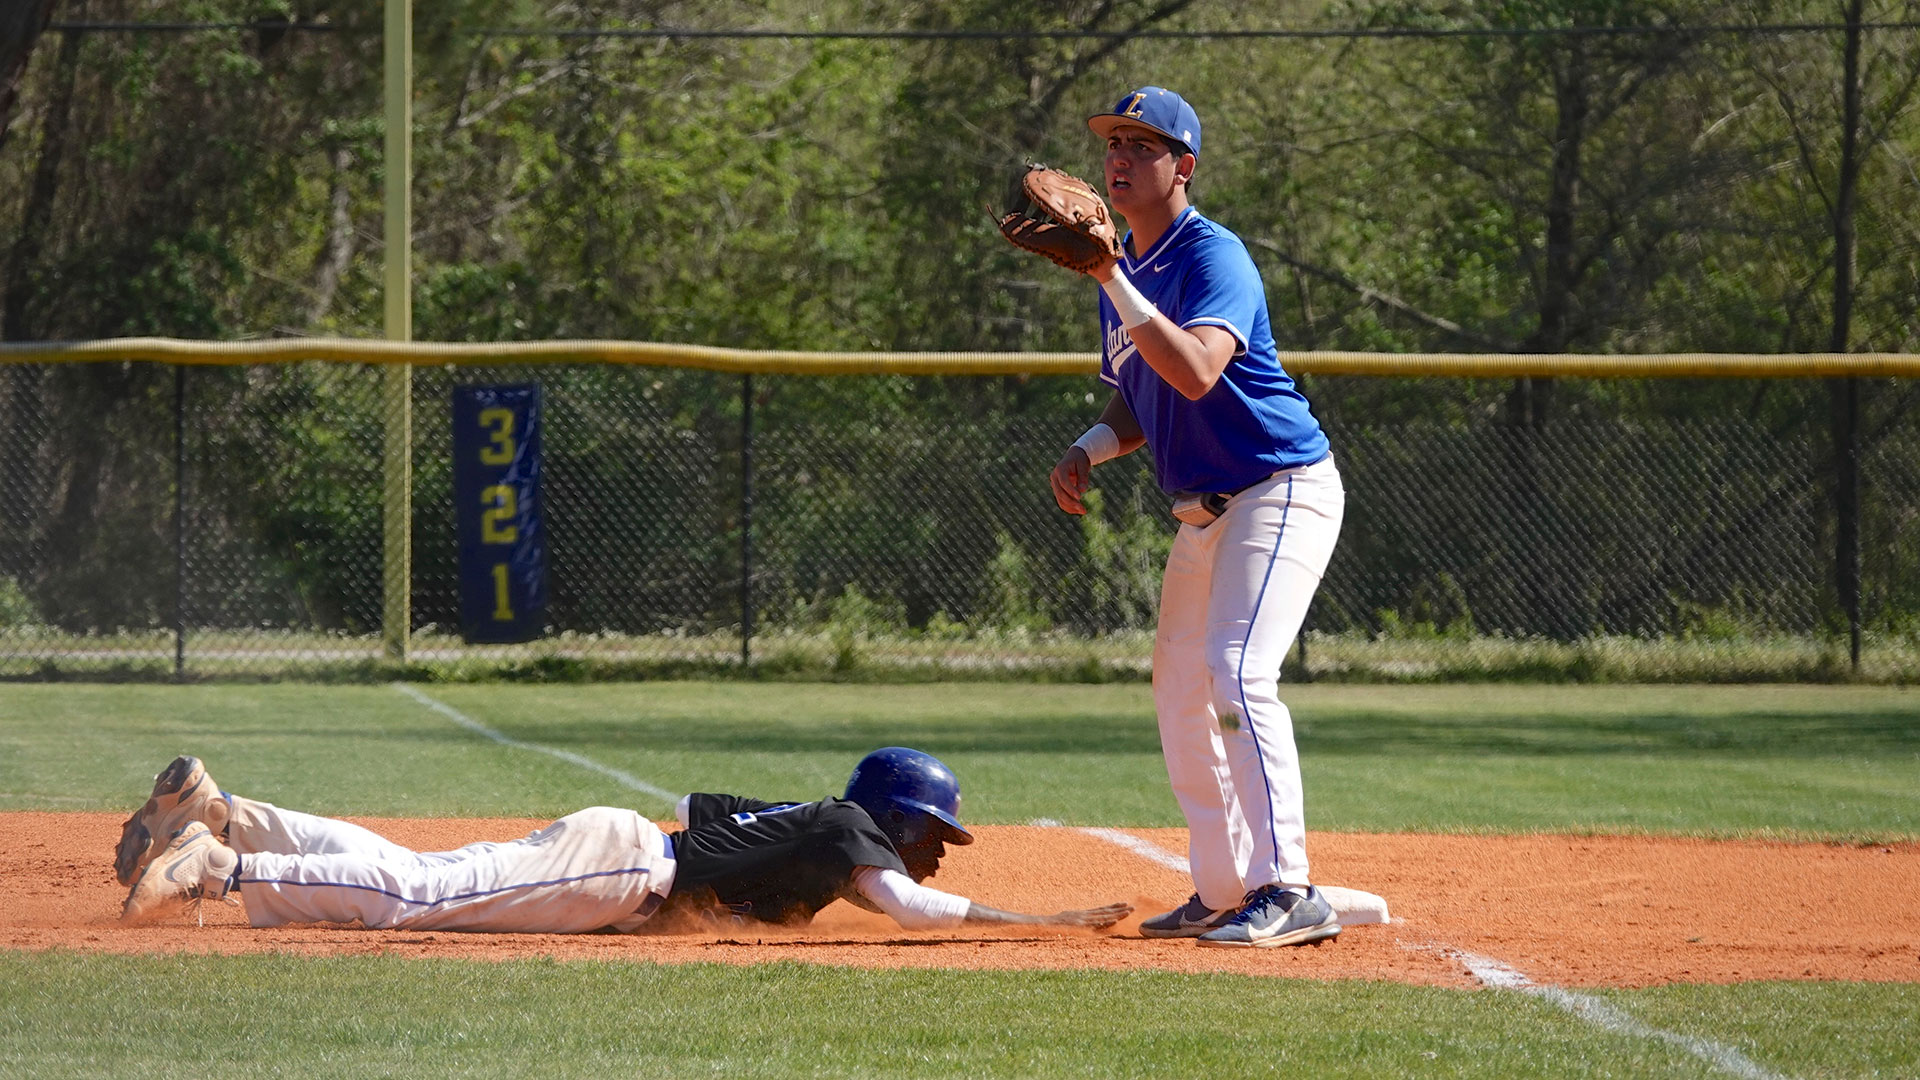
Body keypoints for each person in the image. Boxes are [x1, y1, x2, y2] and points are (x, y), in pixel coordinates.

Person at [1047, 86, 1345, 948]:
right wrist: (1087, 448)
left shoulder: (1215, 257)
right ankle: (1222, 888)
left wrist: (1111, 274)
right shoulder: (1122, 277)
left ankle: (1289, 887)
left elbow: (1198, 373)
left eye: (1145, 145)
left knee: (1239, 669)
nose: (1121, 158)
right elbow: (1139, 403)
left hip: (1280, 486)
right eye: (1115, 143)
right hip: (1204, 513)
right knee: (1180, 690)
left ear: (1185, 166)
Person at [115, 750, 1131, 934]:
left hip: (621, 853)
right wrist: (1046, 923)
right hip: (624, 870)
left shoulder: (820, 832)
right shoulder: (852, 827)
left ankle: (226, 810)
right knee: (420, 897)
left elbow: (704, 812)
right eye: (935, 828)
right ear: (893, 812)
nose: (941, 848)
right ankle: (224, 863)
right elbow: (906, 905)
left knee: (428, 877)